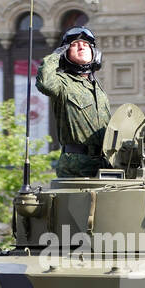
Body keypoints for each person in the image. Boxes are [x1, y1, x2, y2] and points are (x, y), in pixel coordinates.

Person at [37, 26, 111, 178]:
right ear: (65, 54)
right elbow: (44, 83)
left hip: (104, 163)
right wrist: (56, 55)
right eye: (75, 45)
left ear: (95, 54)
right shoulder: (62, 83)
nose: (81, 47)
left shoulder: (96, 87)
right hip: (76, 164)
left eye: (85, 45)